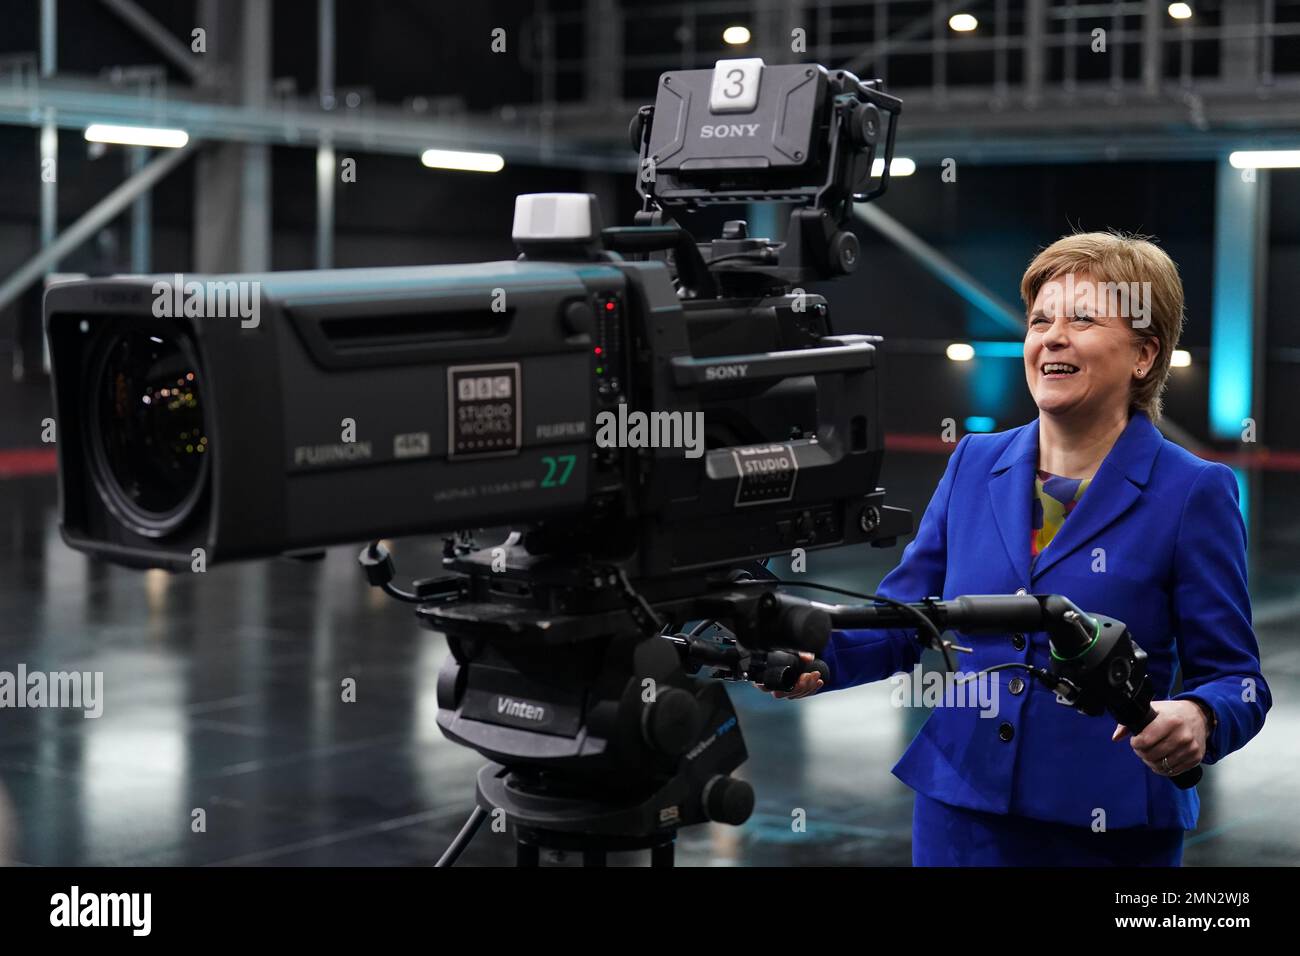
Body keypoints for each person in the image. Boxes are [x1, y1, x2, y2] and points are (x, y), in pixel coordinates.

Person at [765, 231, 1271, 866]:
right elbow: (905, 620)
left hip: (1104, 830)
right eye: (1039, 320)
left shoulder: (1195, 491)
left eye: (1082, 318)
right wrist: (816, 655)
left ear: (1145, 355)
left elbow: (1238, 680)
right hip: (959, 813)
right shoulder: (975, 464)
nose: (1051, 337)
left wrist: (1201, 716)